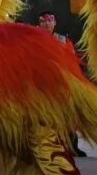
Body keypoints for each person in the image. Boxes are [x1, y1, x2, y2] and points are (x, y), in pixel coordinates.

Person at [38, 12, 88, 158]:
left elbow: (72, 61)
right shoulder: (34, 39)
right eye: (43, 21)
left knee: (68, 115)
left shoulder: (63, 40)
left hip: (63, 82)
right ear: (39, 23)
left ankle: (72, 146)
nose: (47, 24)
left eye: (50, 20)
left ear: (55, 23)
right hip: (43, 83)